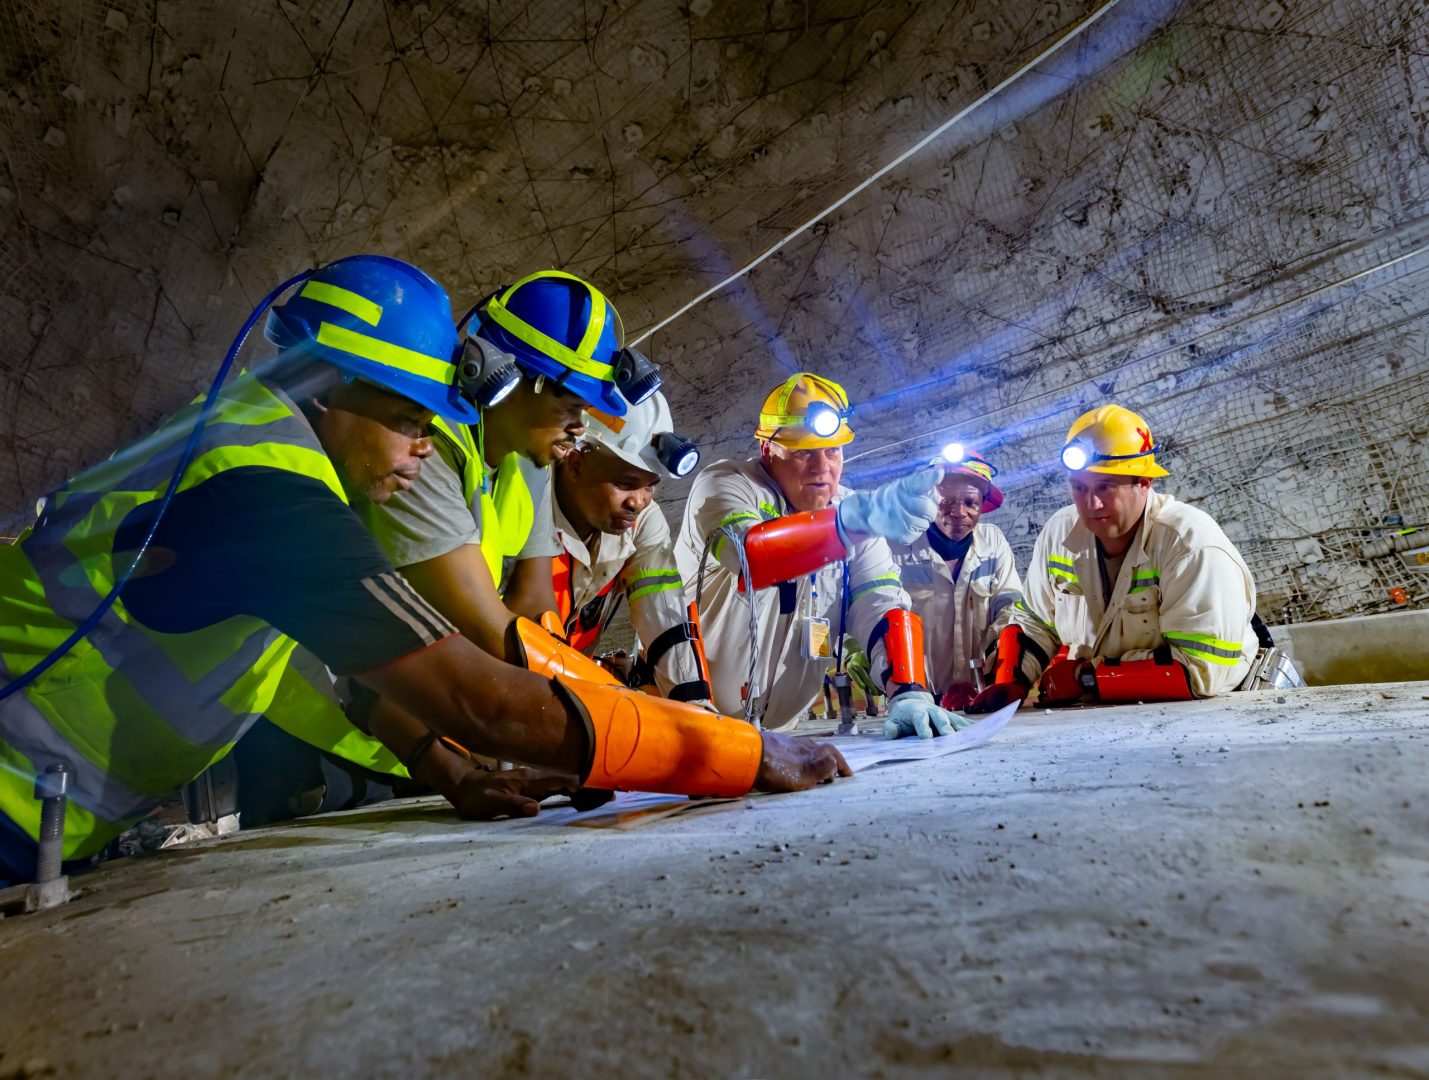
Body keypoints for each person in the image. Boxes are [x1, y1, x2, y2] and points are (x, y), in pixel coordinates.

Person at [0, 256, 848, 883]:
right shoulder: (263, 490)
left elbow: (302, 660)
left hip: (45, 813)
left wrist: (448, 770)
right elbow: (483, 700)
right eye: (410, 420)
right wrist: (736, 751)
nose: (420, 450)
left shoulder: (263, 454)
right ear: (323, 384)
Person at [243, 269, 670, 821]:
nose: (579, 427)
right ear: (511, 378)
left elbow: (531, 613)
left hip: (414, 735)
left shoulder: (525, 460)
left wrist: (481, 763)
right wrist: (645, 730)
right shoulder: (397, 460)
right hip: (314, 735)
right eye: (570, 404)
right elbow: (480, 637)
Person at [674, 372, 971, 740]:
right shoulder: (725, 485)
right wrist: (850, 524)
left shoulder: (853, 512)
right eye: (803, 453)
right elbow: (751, 557)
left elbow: (882, 604)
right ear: (767, 450)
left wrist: (909, 691)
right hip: (689, 722)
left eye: (833, 451)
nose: (822, 467)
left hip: (783, 734)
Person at [965, 404, 1260, 713]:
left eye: (1105, 487)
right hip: (1113, 709)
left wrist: (1085, 678)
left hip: (1222, 710)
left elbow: (1200, 670)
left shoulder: (1189, 544)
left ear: (1144, 483)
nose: (1091, 503)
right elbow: (1035, 622)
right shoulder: (1059, 534)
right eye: (1079, 487)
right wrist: (1011, 681)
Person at [550, 392, 712, 704]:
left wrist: (696, 706)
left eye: (650, 485)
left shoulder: (643, 522)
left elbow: (665, 617)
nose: (638, 502)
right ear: (576, 465)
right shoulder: (528, 505)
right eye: (624, 484)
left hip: (567, 687)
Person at [887, 448, 1023, 711]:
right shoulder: (897, 548)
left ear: (982, 505)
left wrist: (998, 672)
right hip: (917, 702)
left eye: (970, 503)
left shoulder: (994, 544)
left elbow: (1010, 611)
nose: (959, 512)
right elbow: (878, 612)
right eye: (946, 501)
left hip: (981, 698)